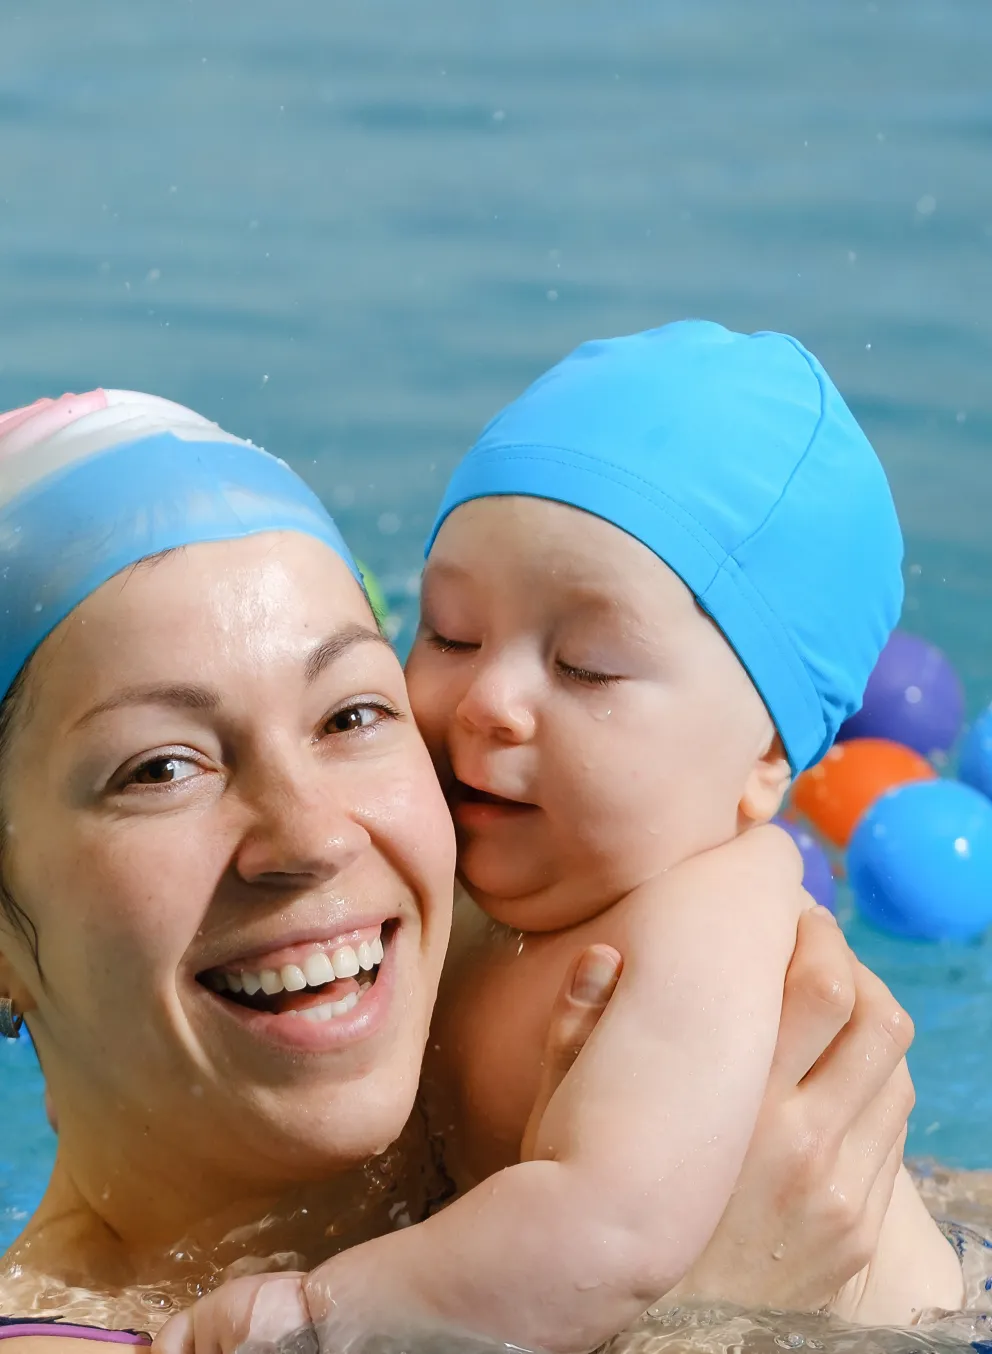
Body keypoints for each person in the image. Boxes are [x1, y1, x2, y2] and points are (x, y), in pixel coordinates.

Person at [0, 389, 916, 1354]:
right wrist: (705, 1321)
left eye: (351, 714)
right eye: (161, 768)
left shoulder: (568, 1027)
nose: (315, 839)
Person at [404, 322, 963, 1327]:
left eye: (585, 667)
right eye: (448, 632)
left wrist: (311, 1310)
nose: (487, 697)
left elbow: (605, 1234)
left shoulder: (707, 926)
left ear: (764, 762)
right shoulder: (442, 871)